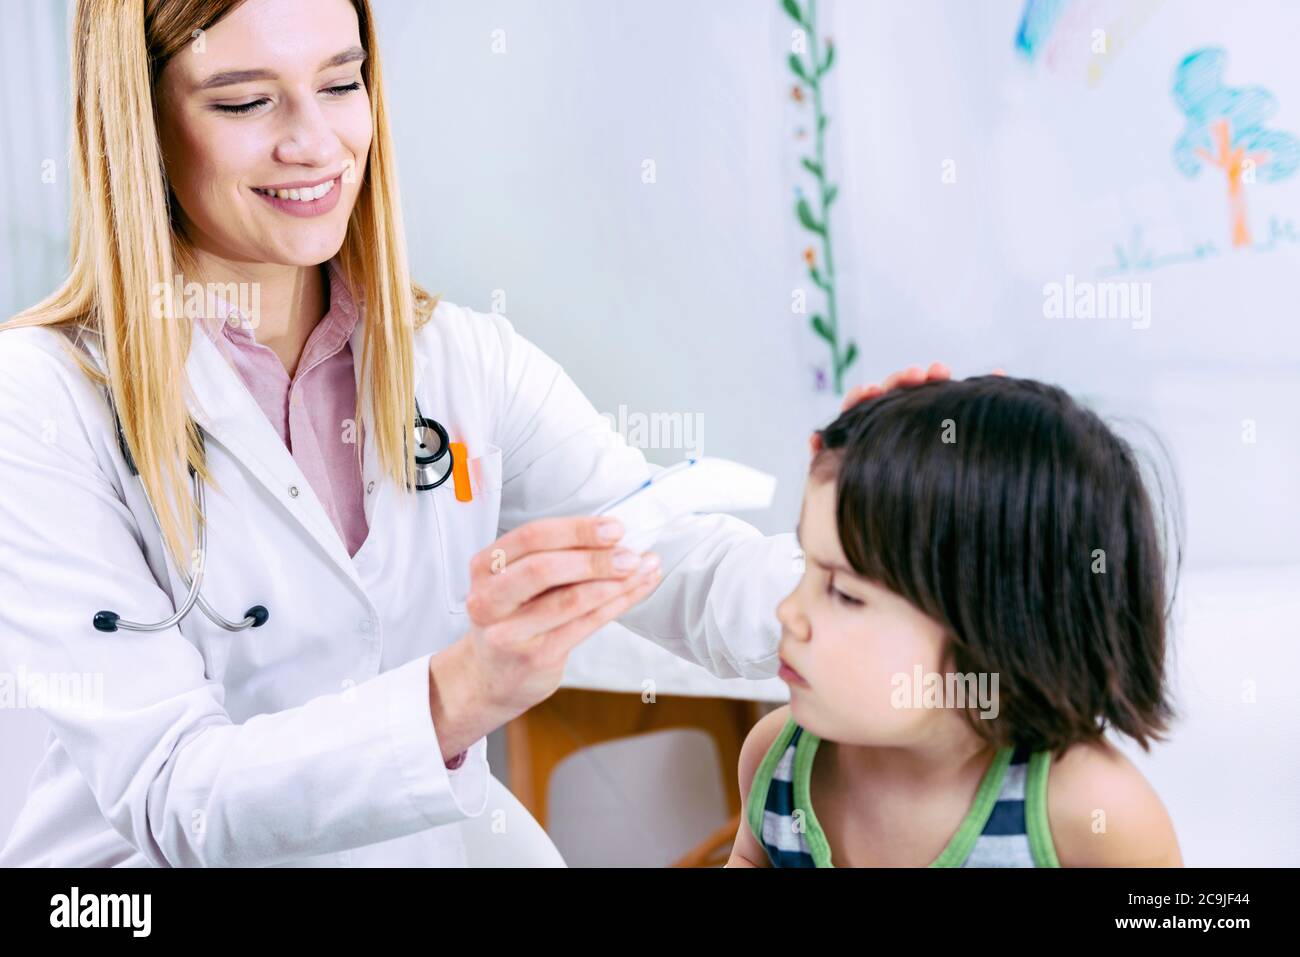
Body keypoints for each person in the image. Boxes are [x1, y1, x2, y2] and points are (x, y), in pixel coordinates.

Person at [727, 375, 1184, 867]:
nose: (788, 613)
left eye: (843, 593)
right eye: (805, 565)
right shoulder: (776, 762)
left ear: (1003, 632)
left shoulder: (1091, 812)